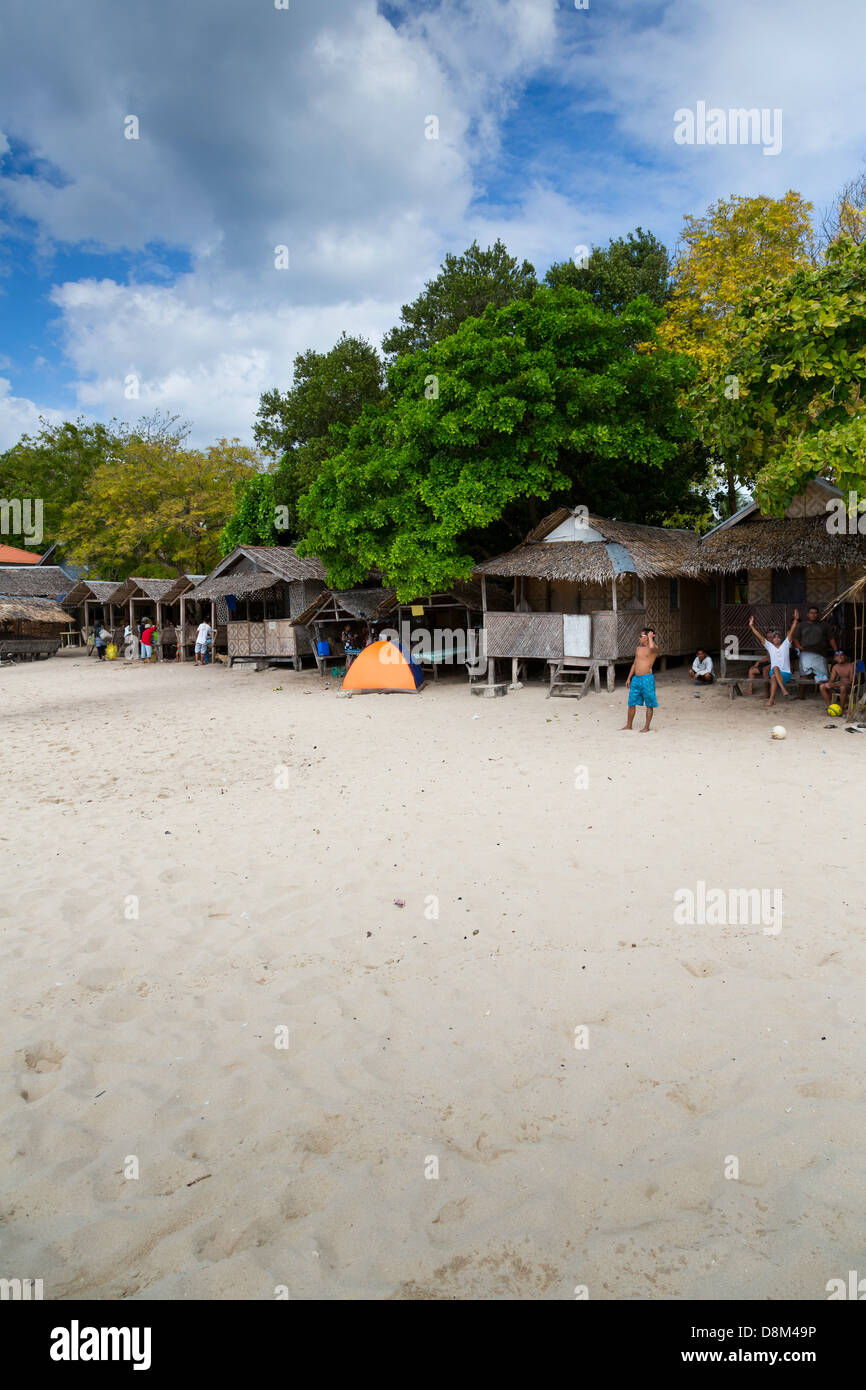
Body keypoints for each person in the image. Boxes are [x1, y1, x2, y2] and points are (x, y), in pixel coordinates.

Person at [748, 610, 799, 707]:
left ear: (781, 639)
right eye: (774, 637)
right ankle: (783, 690)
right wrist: (751, 626)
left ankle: (771, 700)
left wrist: (795, 620)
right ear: (772, 640)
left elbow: (792, 631)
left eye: (778, 637)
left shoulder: (785, 645)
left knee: (774, 676)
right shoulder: (769, 646)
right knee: (775, 668)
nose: (776, 639)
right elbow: (759, 636)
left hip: (786, 674)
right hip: (774, 671)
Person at [623, 627, 659, 731]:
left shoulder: (654, 648)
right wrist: (629, 678)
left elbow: (651, 647)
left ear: (648, 637)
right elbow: (634, 664)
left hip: (647, 679)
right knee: (631, 702)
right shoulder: (638, 649)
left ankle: (646, 727)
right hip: (636, 679)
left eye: (641, 636)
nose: (639, 638)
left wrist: (650, 637)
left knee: (649, 703)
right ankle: (629, 725)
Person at [793, 605, 834, 697]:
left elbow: (831, 639)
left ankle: (828, 696)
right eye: (811, 613)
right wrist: (799, 646)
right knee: (804, 675)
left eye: (815, 613)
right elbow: (795, 638)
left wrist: (836, 650)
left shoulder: (824, 625)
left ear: (818, 614)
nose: (813, 615)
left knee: (823, 676)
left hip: (820, 654)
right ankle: (801, 695)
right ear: (808, 614)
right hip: (806, 654)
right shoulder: (801, 625)